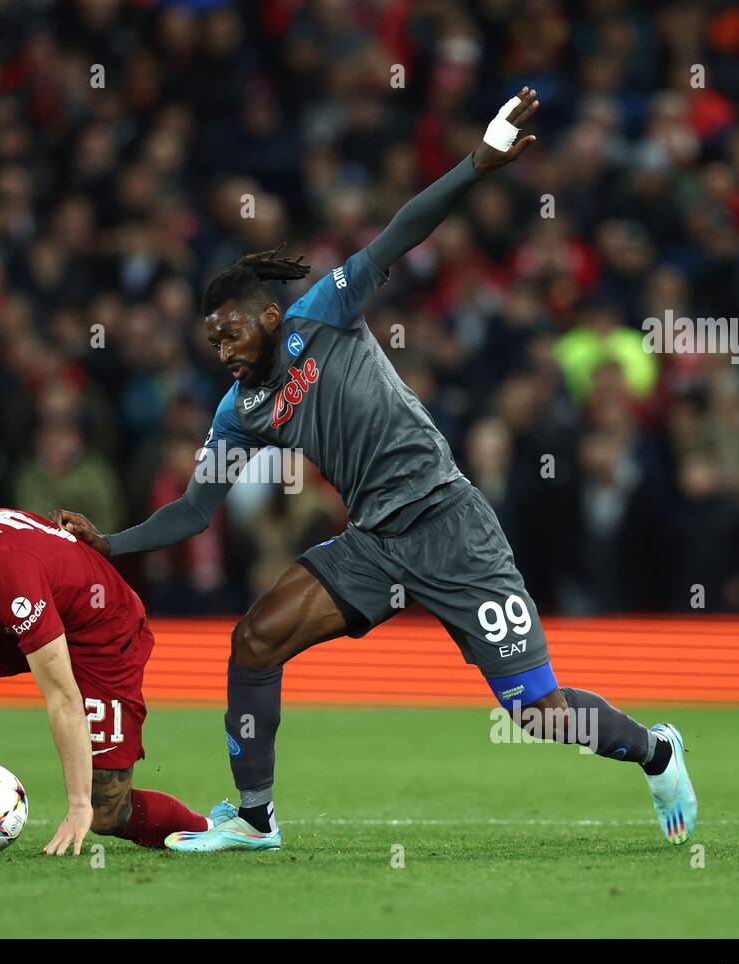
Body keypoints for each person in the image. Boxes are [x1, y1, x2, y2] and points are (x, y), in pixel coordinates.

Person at [53, 89, 697, 852]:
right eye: (210, 341)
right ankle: (255, 820)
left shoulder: (324, 313)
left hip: (452, 526)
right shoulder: (239, 412)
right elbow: (195, 511)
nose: (220, 351)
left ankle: (657, 753)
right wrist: (110, 544)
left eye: (228, 333)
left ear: (266, 317)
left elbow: (402, 231)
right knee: (254, 641)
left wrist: (476, 166)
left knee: (537, 711)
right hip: (374, 543)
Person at [0, 470, 225, 855]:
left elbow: (62, 697)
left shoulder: (8, 572)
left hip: (99, 632)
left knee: (106, 812)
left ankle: (211, 827)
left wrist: (78, 805)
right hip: (13, 618)